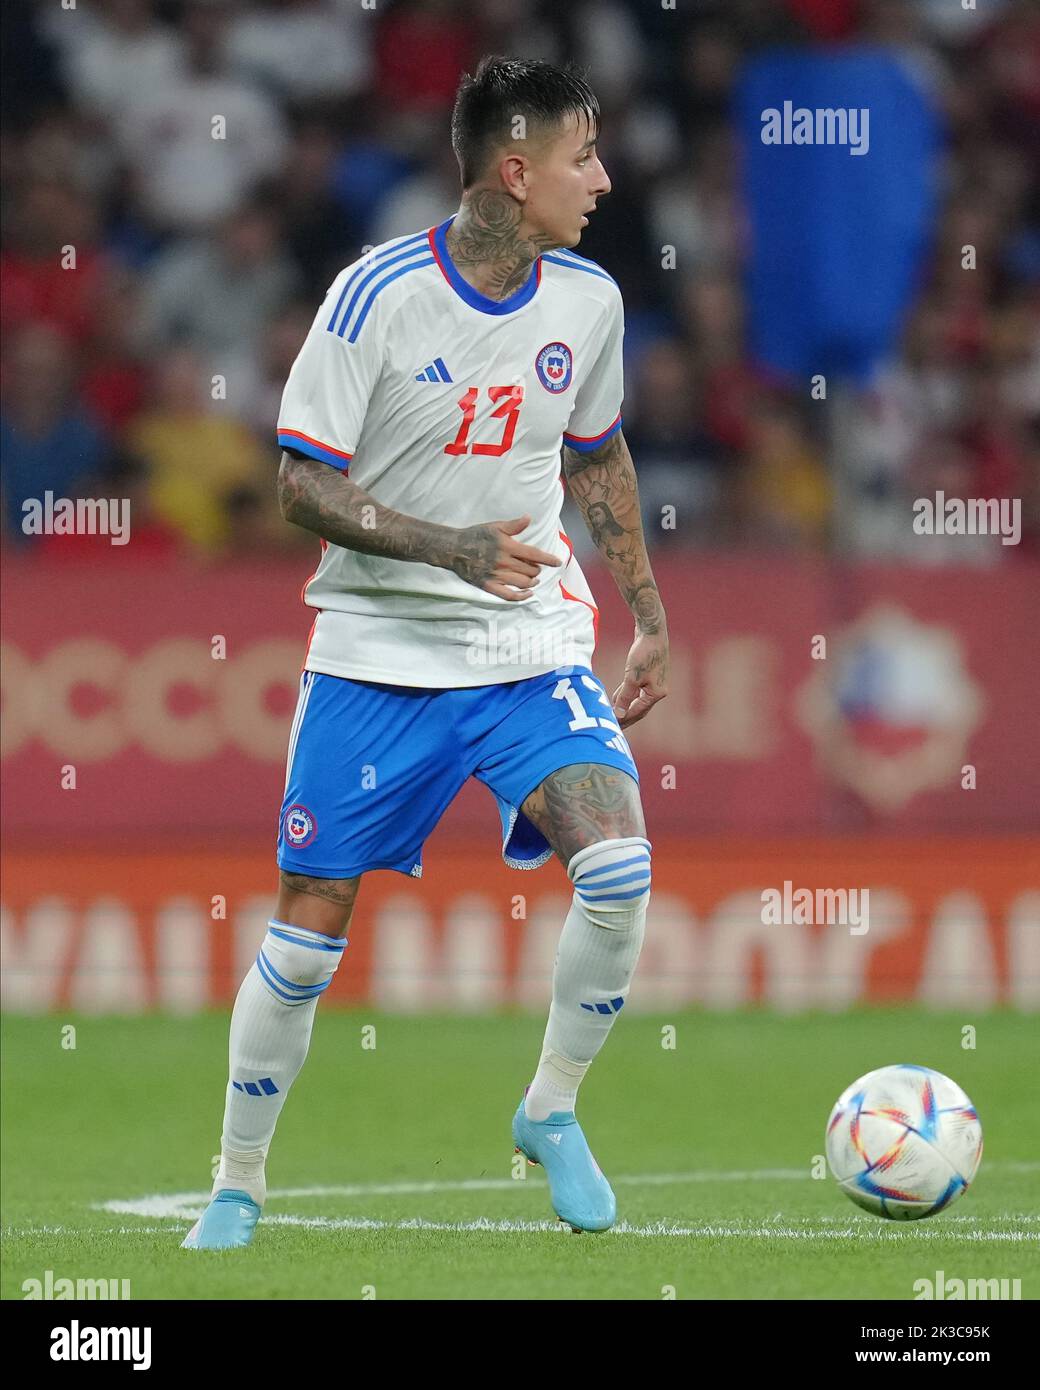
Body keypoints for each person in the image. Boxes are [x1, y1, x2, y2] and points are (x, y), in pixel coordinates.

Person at [183, 55, 669, 1250]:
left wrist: (648, 613)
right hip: (376, 652)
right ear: (516, 171)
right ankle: (238, 1181)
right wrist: (446, 547)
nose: (601, 180)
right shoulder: (375, 297)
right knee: (308, 927)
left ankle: (550, 1108)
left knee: (616, 868)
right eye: (580, 157)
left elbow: (596, 457)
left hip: (527, 640)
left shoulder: (588, 301)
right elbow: (298, 481)